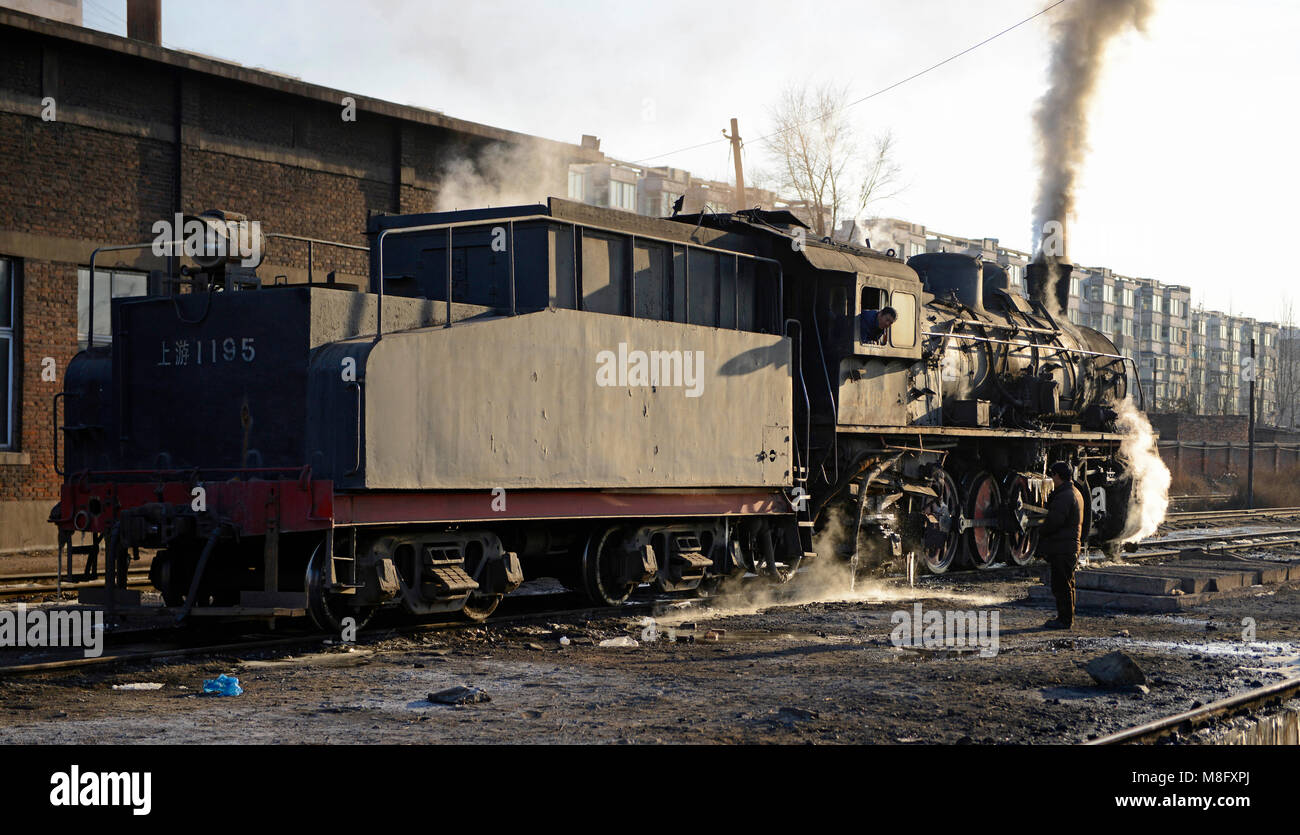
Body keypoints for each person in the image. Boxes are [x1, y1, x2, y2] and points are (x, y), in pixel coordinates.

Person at [1038, 460, 1084, 630]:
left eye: (1053, 475)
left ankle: (1064, 620)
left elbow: (1055, 521)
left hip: (1063, 548)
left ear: (1057, 476)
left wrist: (1040, 531)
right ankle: (1066, 618)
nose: (1052, 479)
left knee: (1062, 585)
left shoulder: (1065, 496)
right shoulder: (1074, 492)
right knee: (1067, 584)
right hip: (1068, 546)